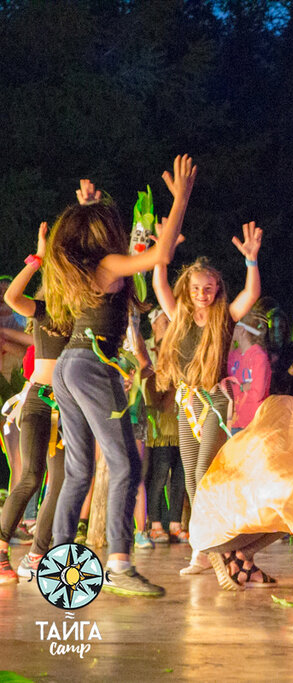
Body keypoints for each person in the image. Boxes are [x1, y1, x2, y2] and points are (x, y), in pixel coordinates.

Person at [47, 158, 195, 597]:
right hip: (92, 367)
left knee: (78, 470)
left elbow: (148, 263)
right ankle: (118, 564)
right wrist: (182, 198)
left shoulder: (83, 269)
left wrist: (85, 208)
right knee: (125, 461)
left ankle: (58, 561)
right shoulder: (107, 264)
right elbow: (160, 256)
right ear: (102, 234)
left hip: (70, 365)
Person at [154, 222, 263, 576]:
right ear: (187, 288)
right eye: (197, 288)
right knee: (189, 478)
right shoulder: (179, 316)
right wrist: (162, 253)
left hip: (215, 399)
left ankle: (217, 541)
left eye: (209, 288)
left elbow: (250, 295)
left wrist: (251, 261)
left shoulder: (223, 317)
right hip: (187, 402)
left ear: (217, 290)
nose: (202, 293)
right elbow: (159, 285)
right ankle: (201, 550)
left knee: (203, 470)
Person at [0, 222, 69, 584]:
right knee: (30, 475)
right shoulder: (42, 309)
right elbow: (12, 298)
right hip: (40, 400)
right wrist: (37, 258)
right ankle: (0, 552)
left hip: (70, 405)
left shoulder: (86, 314)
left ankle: (38, 554)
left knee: (60, 480)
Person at [142, 308, 186, 545]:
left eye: (171, 320)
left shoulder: (180, 348)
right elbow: (152, 389)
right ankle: (155, 522)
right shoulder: (148, 349)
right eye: (164, 320)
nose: (169, 323)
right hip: (159, 423)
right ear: (154, 324)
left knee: (180, 474)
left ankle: (175, 523)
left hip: (182, 421)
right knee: (159, 474)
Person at [228, 309, 271, 433]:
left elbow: (257, 393)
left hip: (252, 423)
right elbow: (226, 387)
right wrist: (243, 387)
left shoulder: (259, 357)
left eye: (234, 327)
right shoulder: (233, 355)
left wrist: (237, 388)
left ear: (242, 330)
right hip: (234, 420)